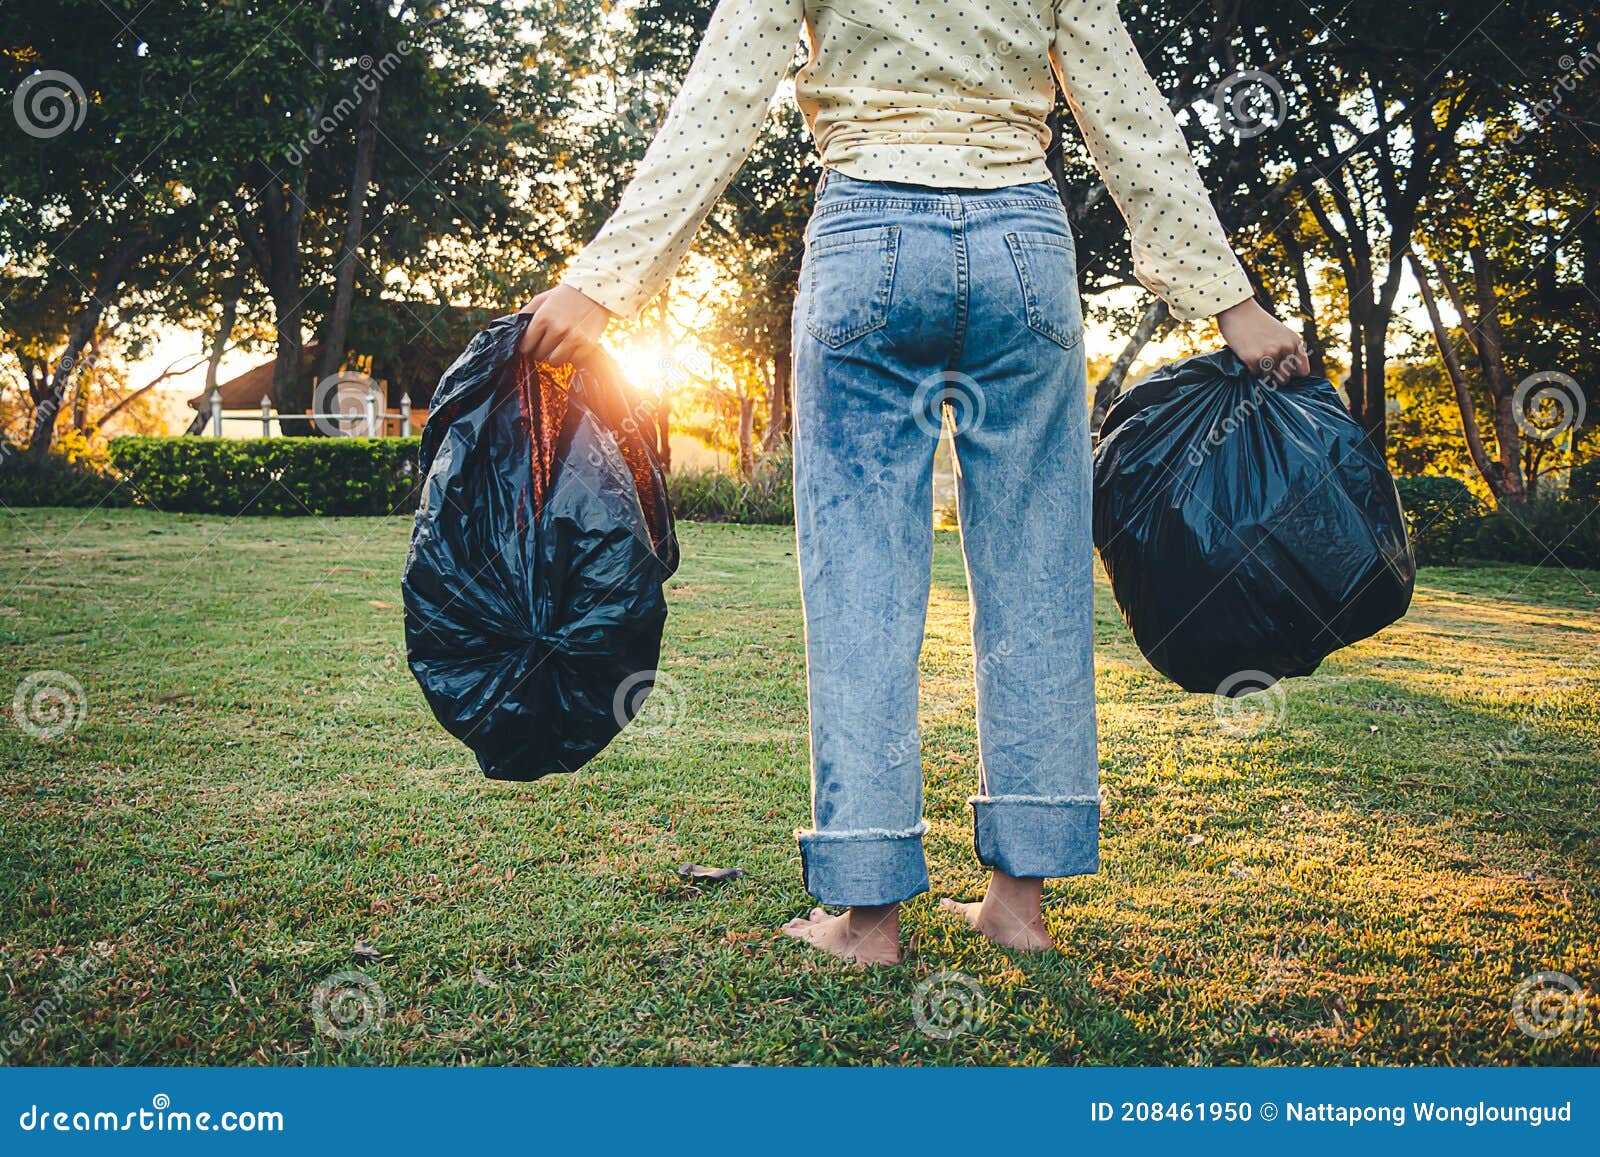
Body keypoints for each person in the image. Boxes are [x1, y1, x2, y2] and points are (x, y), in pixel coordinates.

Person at [520, 0, 1309, 965]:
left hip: (869, 231)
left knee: (860, 580)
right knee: (1039, 576)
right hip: (1024, 245)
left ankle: (867, 919)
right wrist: (1231, 303)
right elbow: (1127, 113)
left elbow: (721, 98)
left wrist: (603, 284)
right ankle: (1019, 906)